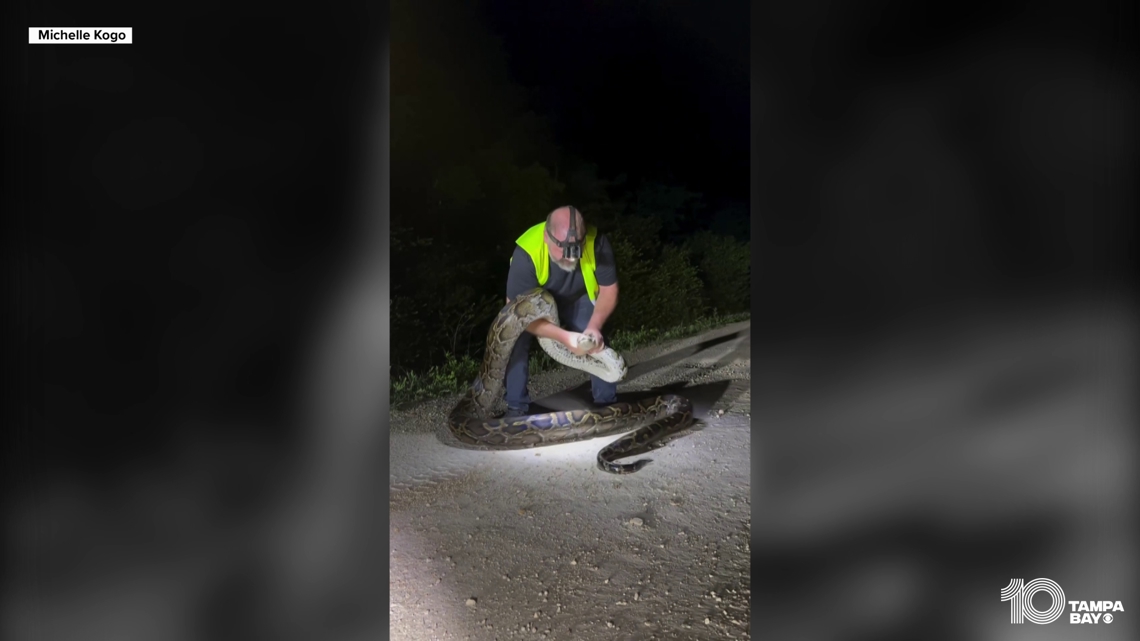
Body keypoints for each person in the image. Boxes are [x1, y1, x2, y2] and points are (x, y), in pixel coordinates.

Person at [503, 205, 620, 418]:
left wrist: (594, 326)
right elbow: (516, 315)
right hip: (533, 306)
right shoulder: (527, 252)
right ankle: (516, 409)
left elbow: (609, 290)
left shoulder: (596, 242)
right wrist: (564, 337)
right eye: (564, 249)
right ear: (548, 237)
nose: (572, 257)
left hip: (577, 298)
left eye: (577, 248)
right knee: (514, 337)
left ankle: (607, 407)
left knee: (594, 336)